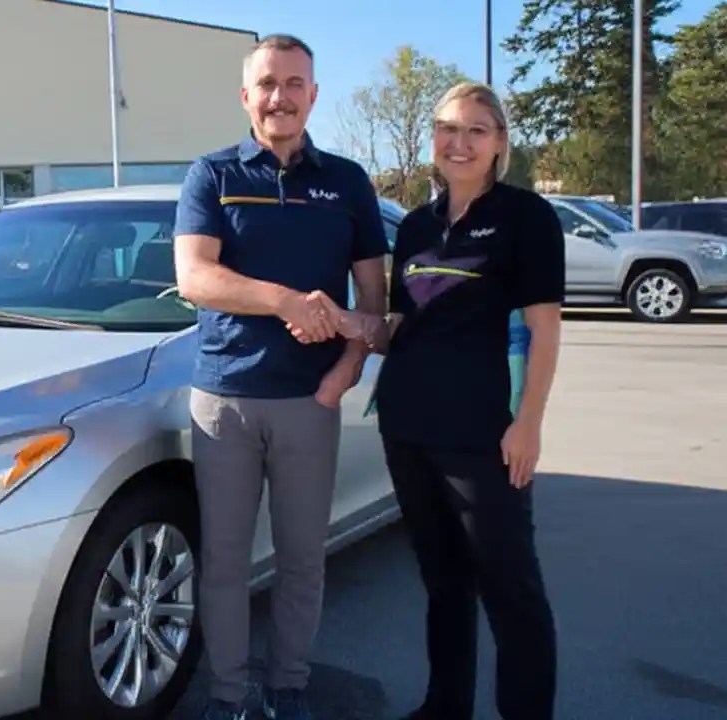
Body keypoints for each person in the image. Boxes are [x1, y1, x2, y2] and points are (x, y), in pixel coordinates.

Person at [323, 81, 564, 720]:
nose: (459, 143)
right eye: (448, 129)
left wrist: (528, 424)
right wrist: (348, 323)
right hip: (406, 427)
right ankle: (445, 706)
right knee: (443, 582)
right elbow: (402, 325)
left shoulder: (526, 217)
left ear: (499, 142)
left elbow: (544, 329)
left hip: (483, 435)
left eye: (476, 130)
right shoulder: (417, 226)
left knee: (511, 590)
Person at [172, 33, 390, 720]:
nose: (280, 97)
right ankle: (229, 695)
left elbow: (374, 304)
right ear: (246, 96)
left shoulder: (348, 182)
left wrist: (343, 374)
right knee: (225, 562)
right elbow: (195, 277)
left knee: (302, 559)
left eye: (294, 84)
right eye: (267, 84)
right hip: (225, 400)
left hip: (308, 402)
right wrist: (286, 302)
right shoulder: (212, 175)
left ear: (314, 95)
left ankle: (290, 686)